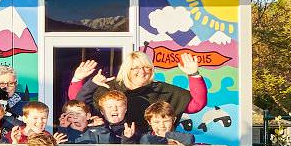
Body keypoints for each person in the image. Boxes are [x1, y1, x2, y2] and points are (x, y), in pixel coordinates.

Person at [70, 50, 208, 128]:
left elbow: (196, 105)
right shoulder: (109, 87)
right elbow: (78, 104)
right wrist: (77, 79)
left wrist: (194, 75)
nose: (142, 72)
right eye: (135, 68)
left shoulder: (161, 89)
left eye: (146, 67)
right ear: (126, 70)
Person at [0, 64, 28, 130]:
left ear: (15, 84)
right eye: (2, 83)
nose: (6, 87)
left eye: (11, 83)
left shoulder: (26, 107)